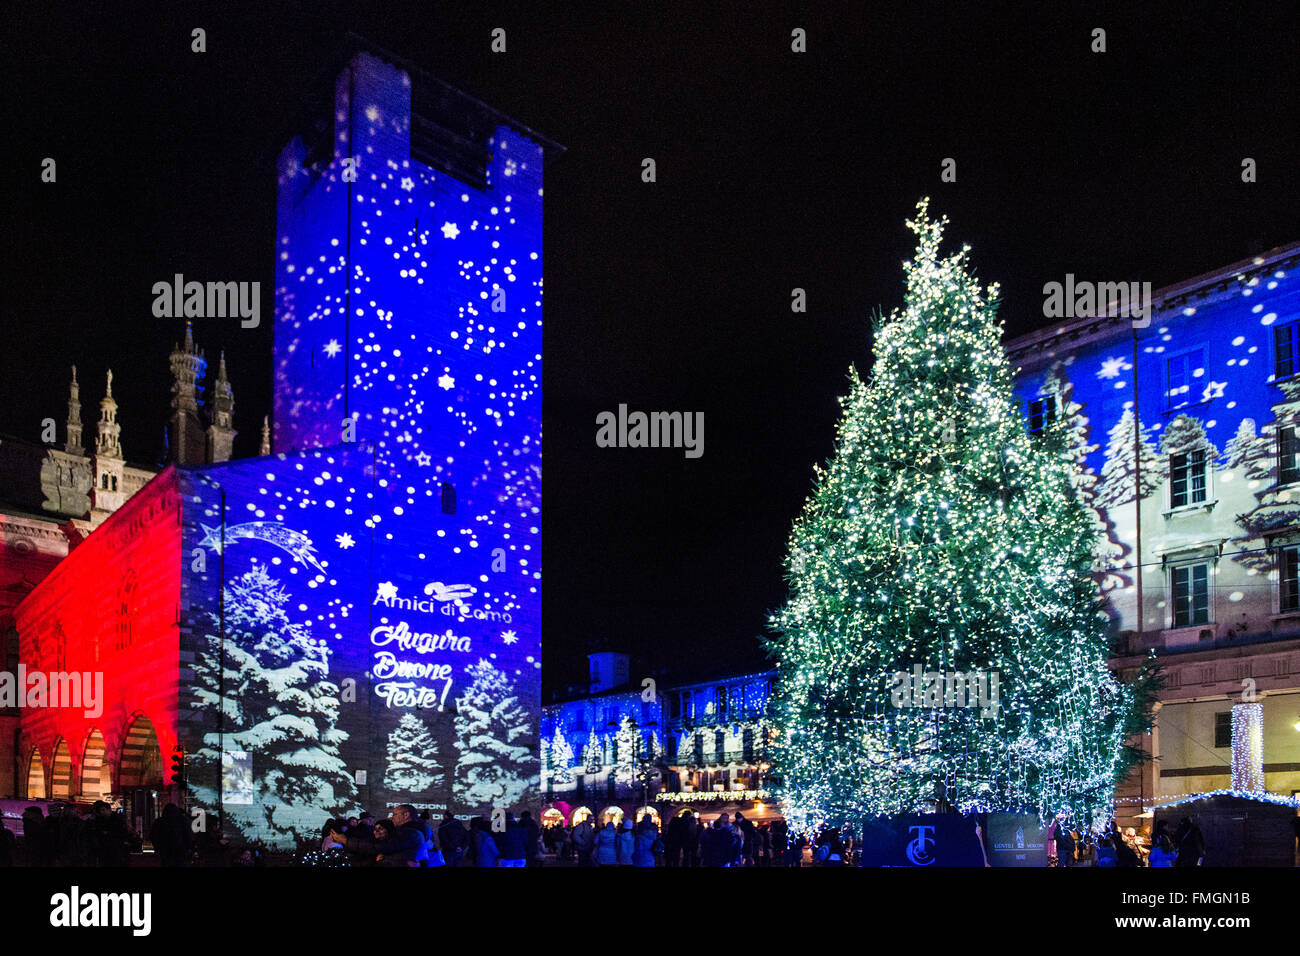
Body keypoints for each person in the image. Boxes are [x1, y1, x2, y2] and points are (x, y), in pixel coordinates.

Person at [88, 801, 137, 866]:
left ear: (109, 810)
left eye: (103, 810)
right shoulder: (100, 820)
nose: (102, 812)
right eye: (101, 810)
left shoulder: (117, 819)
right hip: (106, 849)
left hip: (116, 848)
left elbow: (122, 832)